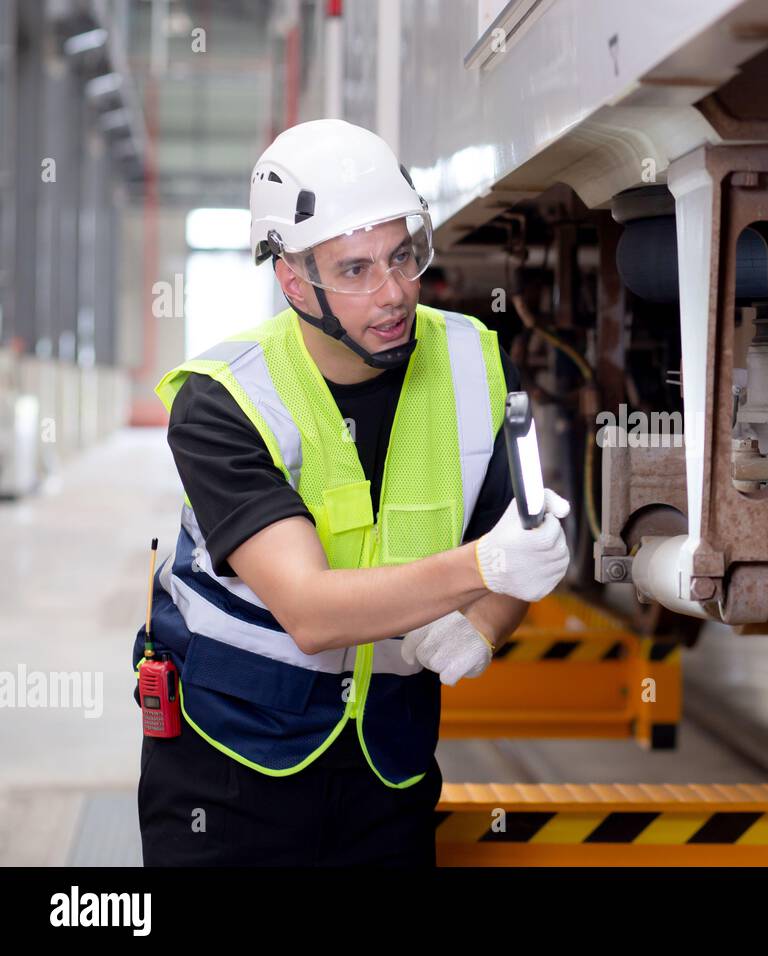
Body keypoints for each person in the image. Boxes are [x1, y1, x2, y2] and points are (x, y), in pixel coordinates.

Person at [132, 118, 571, 866]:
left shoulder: (473, 363)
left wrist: (488, 621)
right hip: (233, 767)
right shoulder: (224, 400)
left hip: (390, 762)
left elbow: (517, 543)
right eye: (357, 269)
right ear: (293, 280)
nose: (395, 291)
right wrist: (481, 572)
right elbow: (308, 610)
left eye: (403, 255)